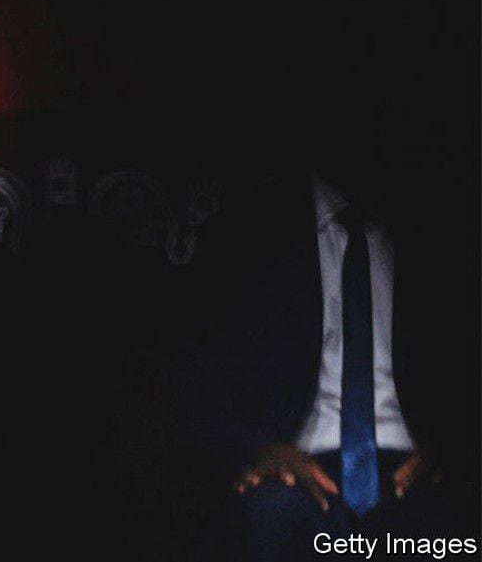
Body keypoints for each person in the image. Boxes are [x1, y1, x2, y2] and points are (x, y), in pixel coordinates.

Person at [185, 161, 479, 561]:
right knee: (268, 520)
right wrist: (259, 452)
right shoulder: (253, 230)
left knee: (451, 523)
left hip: (412, 474)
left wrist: (450, 450)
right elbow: (196, 395)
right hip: (293, 472)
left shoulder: (444, 229)